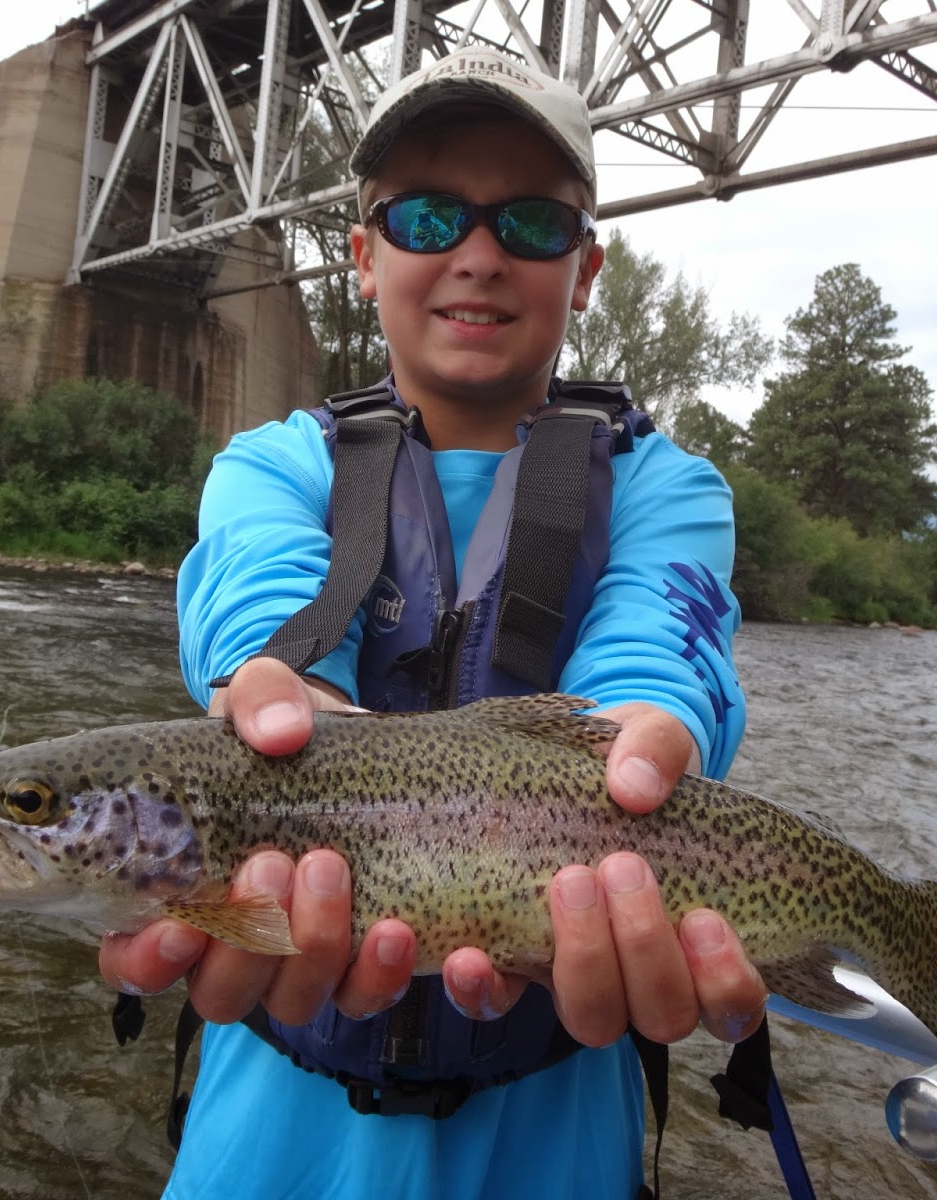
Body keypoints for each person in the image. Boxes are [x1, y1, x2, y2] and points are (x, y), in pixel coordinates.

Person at [100, 45, 768, 1199]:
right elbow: (270, 606)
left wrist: (648, 732)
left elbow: (659, 653)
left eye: (529, 223)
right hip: (270, 1123)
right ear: (362, 257)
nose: (475, 256)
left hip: (554, 1125)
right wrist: (277, 688)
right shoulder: (273, 466)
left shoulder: (668, 489)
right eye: (423, 216)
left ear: (587, 267)